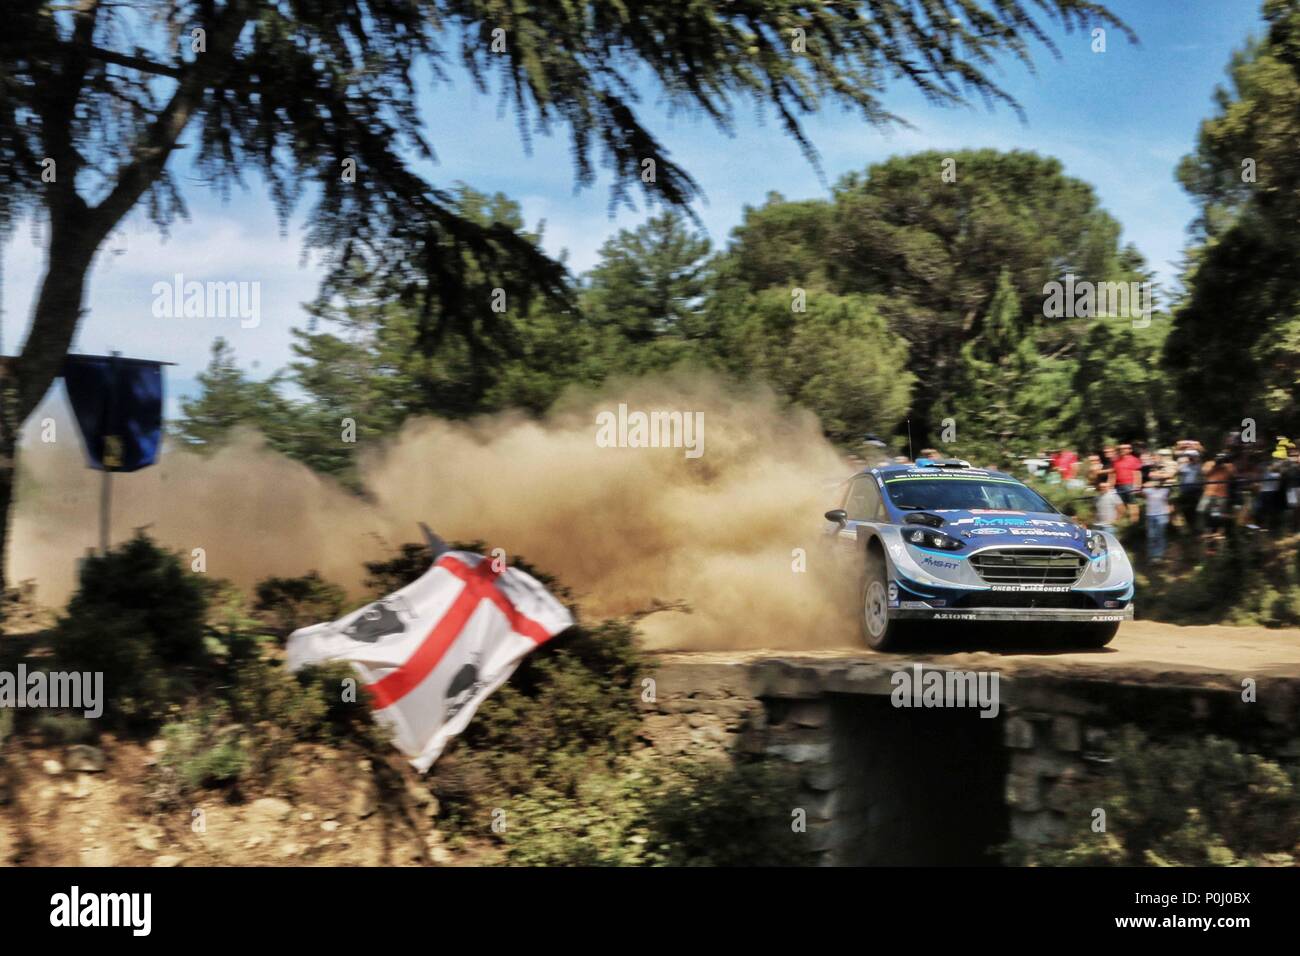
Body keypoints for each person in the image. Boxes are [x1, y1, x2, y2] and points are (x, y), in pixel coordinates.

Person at [1199, 452, 1236, 549]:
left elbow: (1232, 474)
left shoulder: (1228, 466)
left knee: (1218, 515)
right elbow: (1205, 472)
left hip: (1221, 495)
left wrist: (1224, 464)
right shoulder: (1209, 463)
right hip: (1208, 493)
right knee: (1202, 511)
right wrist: (1216, 464)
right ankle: (1207, 532)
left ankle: (1218, 533)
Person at [1141, 476, 1171, 561]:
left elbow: (1169, 484)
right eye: (1156, 481)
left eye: (1159, 481)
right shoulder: (1148, 490)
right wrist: (1148, 484)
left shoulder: (1165, 490)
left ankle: (1159, 555)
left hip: (1162, 515)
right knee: (1151, 536)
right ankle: (1151, 555)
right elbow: (1140, 490)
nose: (1158, 483)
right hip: (1150, 515)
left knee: (1160, 535)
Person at [1112, 443, 1143, 522]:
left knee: (1133, 506)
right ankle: (1122, 525)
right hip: (1118, 486)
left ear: (1130, 450)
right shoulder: (1116, 460)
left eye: (1125, 448)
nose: (1122, 450)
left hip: (1130, 485)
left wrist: (1137, 486)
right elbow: (1113, 473)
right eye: (1121, 448)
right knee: (1120, 507)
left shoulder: (1134, 459)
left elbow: (1138, 473)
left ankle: (1134, 525)